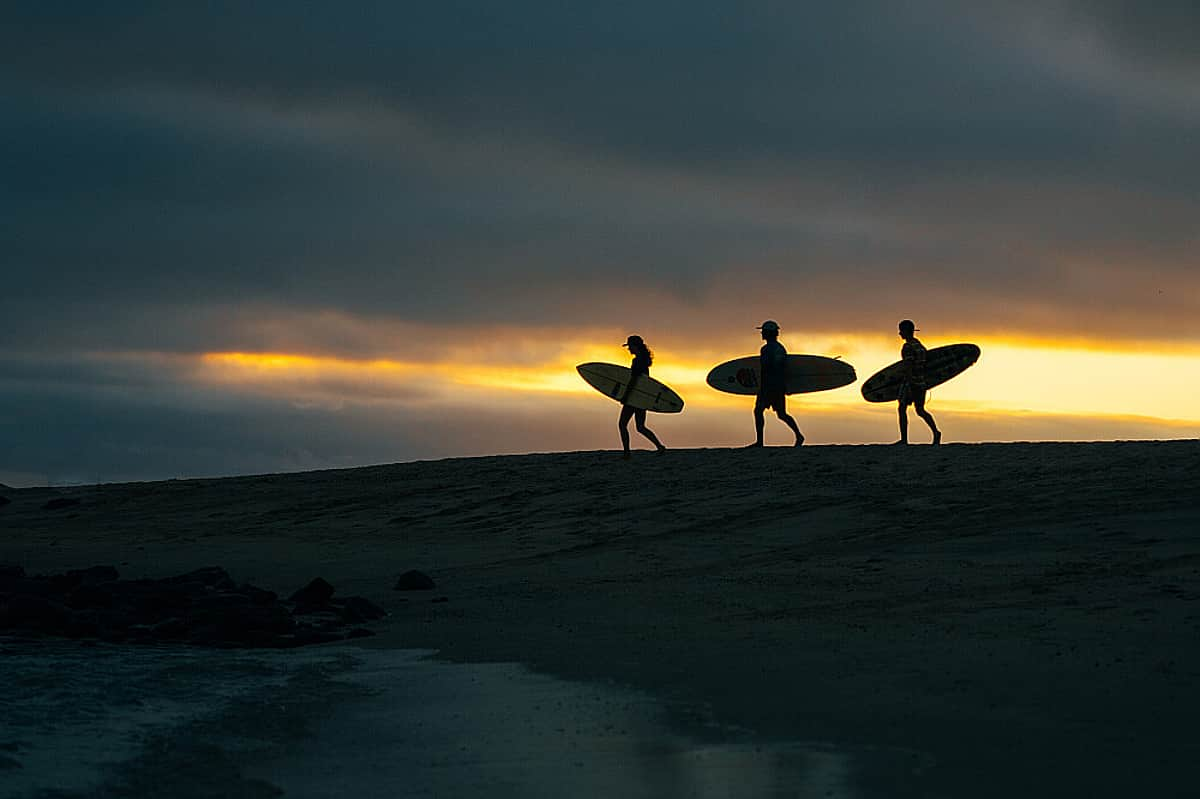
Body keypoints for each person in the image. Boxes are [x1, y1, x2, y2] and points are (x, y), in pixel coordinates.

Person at [747, 320, 804, 447]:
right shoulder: (778, 348)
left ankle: (760, 442)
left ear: (768, 333)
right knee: (780, 414)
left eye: (763, 331)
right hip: (775, 386)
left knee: (760, 411)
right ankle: (799, 436)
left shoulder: (770, 349)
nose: (762, 333)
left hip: (770, 386)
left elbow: (775, 367)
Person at [618, 335, 667, 458]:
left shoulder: (637, 361)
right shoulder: (644, 360)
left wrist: (625, 396)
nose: (629, 349)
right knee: (640, 427)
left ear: (635, 346)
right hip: (642, 397)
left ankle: (626, 453)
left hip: (634, 397)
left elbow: (634, 380)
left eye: (630, 346)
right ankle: (660, 447)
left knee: (622, 424)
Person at [896, 319, 941, 445]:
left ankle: (904, 440)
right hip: (922, 382)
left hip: (911, 383)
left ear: (906, 331)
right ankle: (936, 432)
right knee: (920, 410)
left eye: (901, 330)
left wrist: (909, 382)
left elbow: (908, 366)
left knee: (902, 409)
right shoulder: (919, 345)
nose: (899, 333)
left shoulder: (908, 347)